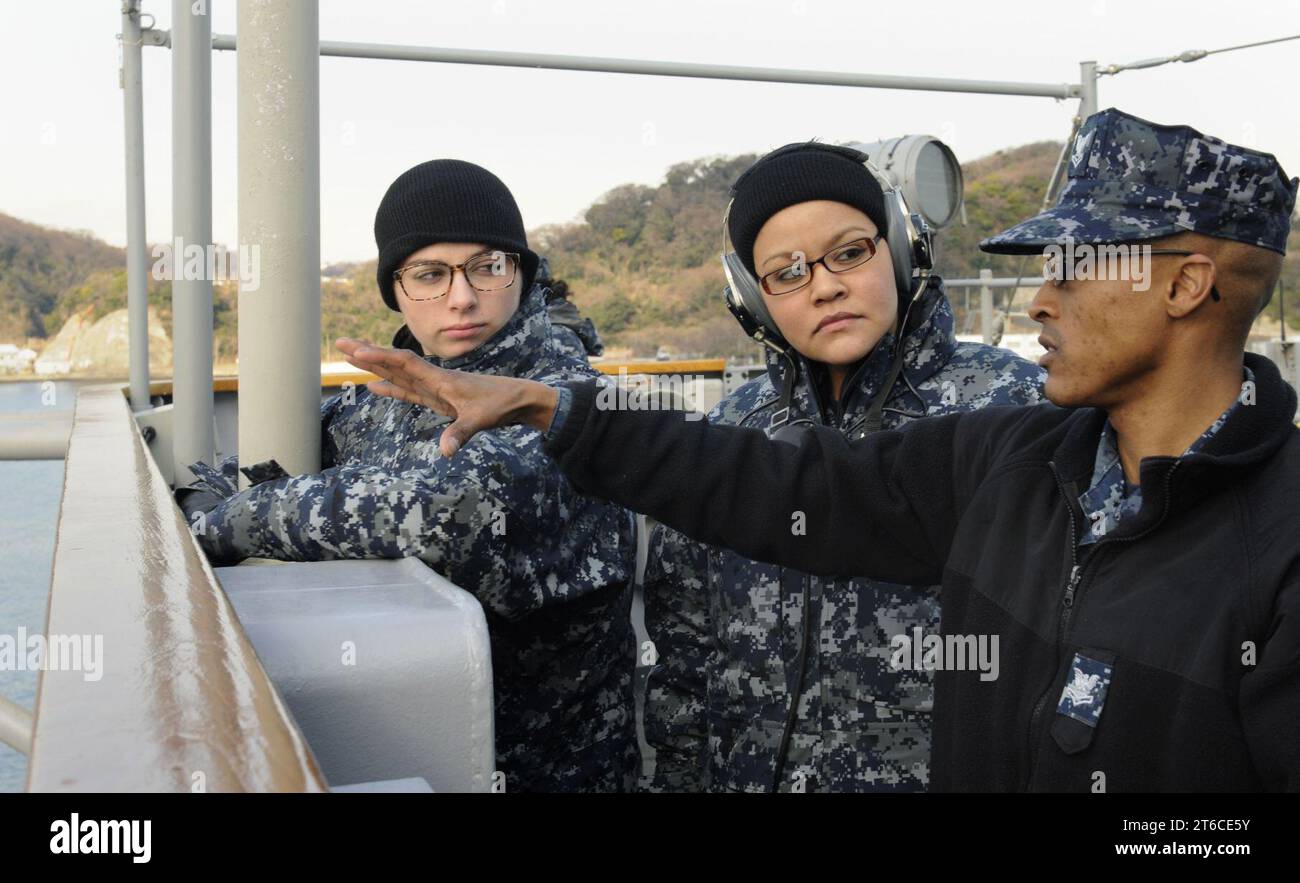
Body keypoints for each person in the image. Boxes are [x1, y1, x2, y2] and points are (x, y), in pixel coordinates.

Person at [337, 109, 1300, 791]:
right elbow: (773, 490)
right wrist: (556, 410)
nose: (1041, 301)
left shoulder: (1249, 530)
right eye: (787, 272)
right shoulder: (1018, 456)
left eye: (849, 252)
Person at [178, 159, 640, 793]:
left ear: (521, 273)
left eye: (488, 266)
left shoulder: (565, 400)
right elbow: (298, 442)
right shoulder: (395, 396)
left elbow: (452, 507)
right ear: (395, 290)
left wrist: (229, 522)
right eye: (429, 274)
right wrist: (205, 493)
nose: (462, 297)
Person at [640, 142, 1043, 793]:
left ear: (902, 247)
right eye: (788, 272)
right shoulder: (729, 436)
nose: (826, 286)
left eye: (850, 252)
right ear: (752, 298)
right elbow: (684, 657)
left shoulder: (1014, 407)